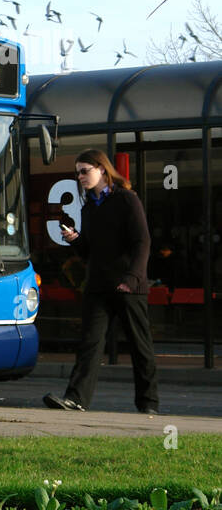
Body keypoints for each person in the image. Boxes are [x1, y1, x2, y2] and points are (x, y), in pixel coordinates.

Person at [46, 149, 159, 414]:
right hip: (98, 286)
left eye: (85, 170)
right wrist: (76, 240)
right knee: (90, 344)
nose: (80, 176)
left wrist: (132, 278)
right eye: (77, 173)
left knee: (140, 346)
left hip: (128, 286)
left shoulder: (127, 200)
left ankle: (149, 404)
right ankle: (76, 399)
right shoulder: (88, 208)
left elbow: (142, 242)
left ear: (102, 169)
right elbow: (89, 252)